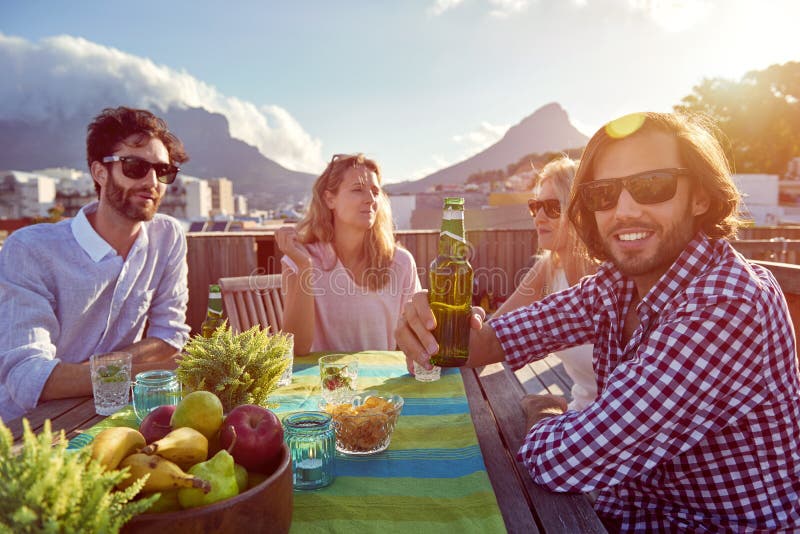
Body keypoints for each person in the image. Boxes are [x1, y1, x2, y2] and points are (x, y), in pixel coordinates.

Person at [396, 112, 800, 531]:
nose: (624, 210)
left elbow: (570, 460)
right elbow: (492, 341)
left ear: (699, 195)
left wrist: (543, 416)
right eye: (603, 194)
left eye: (652, 185)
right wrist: (435, 324)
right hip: (620, 511)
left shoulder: (727, 303)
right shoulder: (617, 284)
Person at [0, 106, 191, 422]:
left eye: (163, 171)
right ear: (99, 172)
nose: (152, 181)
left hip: (112, 413)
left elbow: (169, 338)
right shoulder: (30, 250)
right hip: (29, 429)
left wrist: (86, 371)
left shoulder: (167, 236)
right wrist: (152, 370)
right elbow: (28, 379)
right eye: (134, 167)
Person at [277, 153, 421, 355]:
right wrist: (304, 268)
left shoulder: (401, 262)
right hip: (320, 383)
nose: (370, 199)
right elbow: (296, 349)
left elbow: (417, 338)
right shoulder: (299, 258)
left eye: (375, 191)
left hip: (380, 383)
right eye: (358, 190)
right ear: (329, 199)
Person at [494, 156, 597, 411]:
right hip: (579, 414)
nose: (538, 217)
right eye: (534, 206)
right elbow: (493, 330)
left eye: (551, 207)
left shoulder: (611, 275)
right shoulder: (548, 266)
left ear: (579, 211)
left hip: (619, 428)